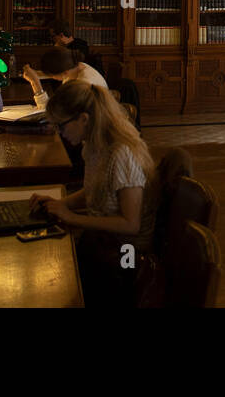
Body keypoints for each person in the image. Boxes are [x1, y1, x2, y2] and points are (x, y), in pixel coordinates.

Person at [31, 80, 155, 307]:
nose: (59, 133)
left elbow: (131, 224)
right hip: (102, 238)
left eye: (62, 126)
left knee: (59, 272)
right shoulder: (93, 144)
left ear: (84, 119)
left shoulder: (121, 154)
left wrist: (72, 217)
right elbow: (93, 189)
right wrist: (60, 204)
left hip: (127, 253)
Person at [21, 47, 107, 108]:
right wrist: (36, 73)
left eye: (52, 75)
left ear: (64, 73)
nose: (52, 77)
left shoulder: (83, 84)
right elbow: (57, 74)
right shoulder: (76, 66)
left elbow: (52, 113)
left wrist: (35, 83)